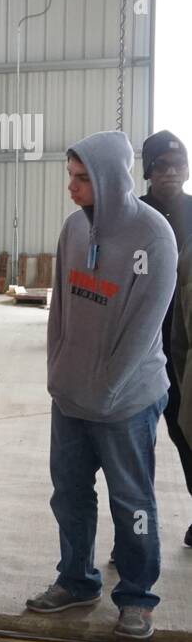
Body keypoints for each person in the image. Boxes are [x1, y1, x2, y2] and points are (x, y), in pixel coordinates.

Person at [27, 131, 175, 642]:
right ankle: (76, 580)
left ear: (111, 177)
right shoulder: (73, 229)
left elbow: (143, 327)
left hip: (127, 400)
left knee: (131, 502)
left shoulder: (152, 236)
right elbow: (61, 308)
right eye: (70, 176)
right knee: (69, 493)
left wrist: (106, 392)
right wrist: (58, 371)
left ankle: (137, 596)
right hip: (70, 395)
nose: (72, 186)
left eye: (83, 178)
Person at [137, 130, 192, 548]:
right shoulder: (134, 216)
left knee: (186, 430)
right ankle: (134, 536)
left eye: (178, 165)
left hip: (185, 348)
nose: (171, 172)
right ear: (148, 171)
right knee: (134, 446)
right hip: (142, 345)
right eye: (161, 165)